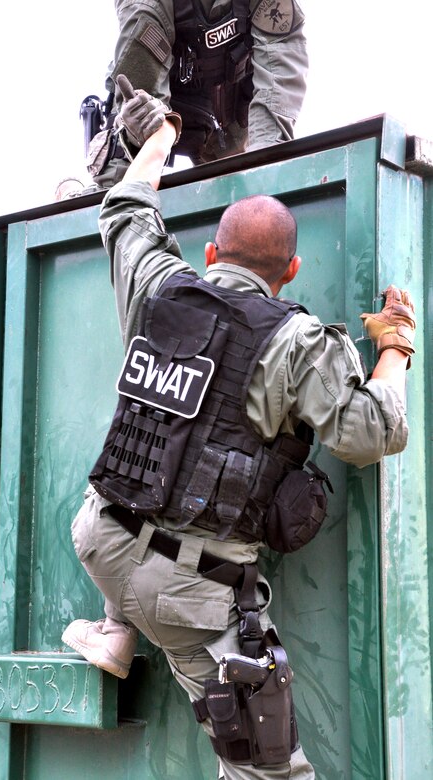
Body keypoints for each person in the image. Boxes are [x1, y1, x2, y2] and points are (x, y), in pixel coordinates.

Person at [62, 82, 416, 779]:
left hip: (99, 542)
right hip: (190, 591)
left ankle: (113, 632)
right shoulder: (298, 339)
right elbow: (371, 433)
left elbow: (126, 208)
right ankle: (134, 637)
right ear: (292, 270)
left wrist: (160, 137)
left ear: (213, 255)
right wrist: (397, 348)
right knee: (268, 770)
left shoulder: (162, 286)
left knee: (156, 458)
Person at [85, 0, 309, 189]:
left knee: (253, 202)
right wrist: (146, 132)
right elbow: (144, 78)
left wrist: (264, 164)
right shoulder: (145, 5)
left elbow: (279, 64)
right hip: (155, 114)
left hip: (227, 121)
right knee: (123, 196)